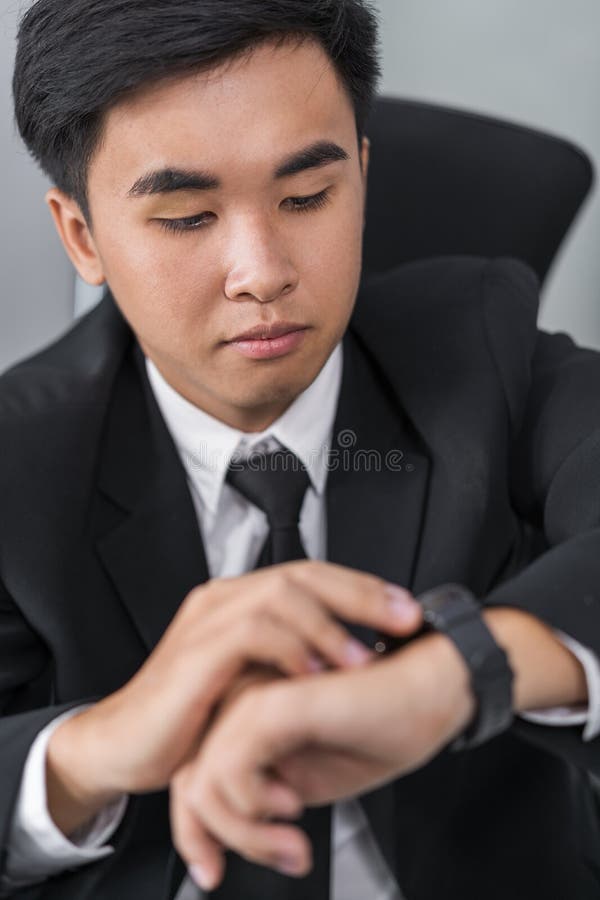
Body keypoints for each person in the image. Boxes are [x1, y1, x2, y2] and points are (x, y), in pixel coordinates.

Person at [1, 1, 600, 898]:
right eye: (187, 217)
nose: (263, 271)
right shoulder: (16, 462)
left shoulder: (486, 349)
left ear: (361, 171)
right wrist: (86, 754)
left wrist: (456, 676)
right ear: (83, 235)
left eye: (307, 198)